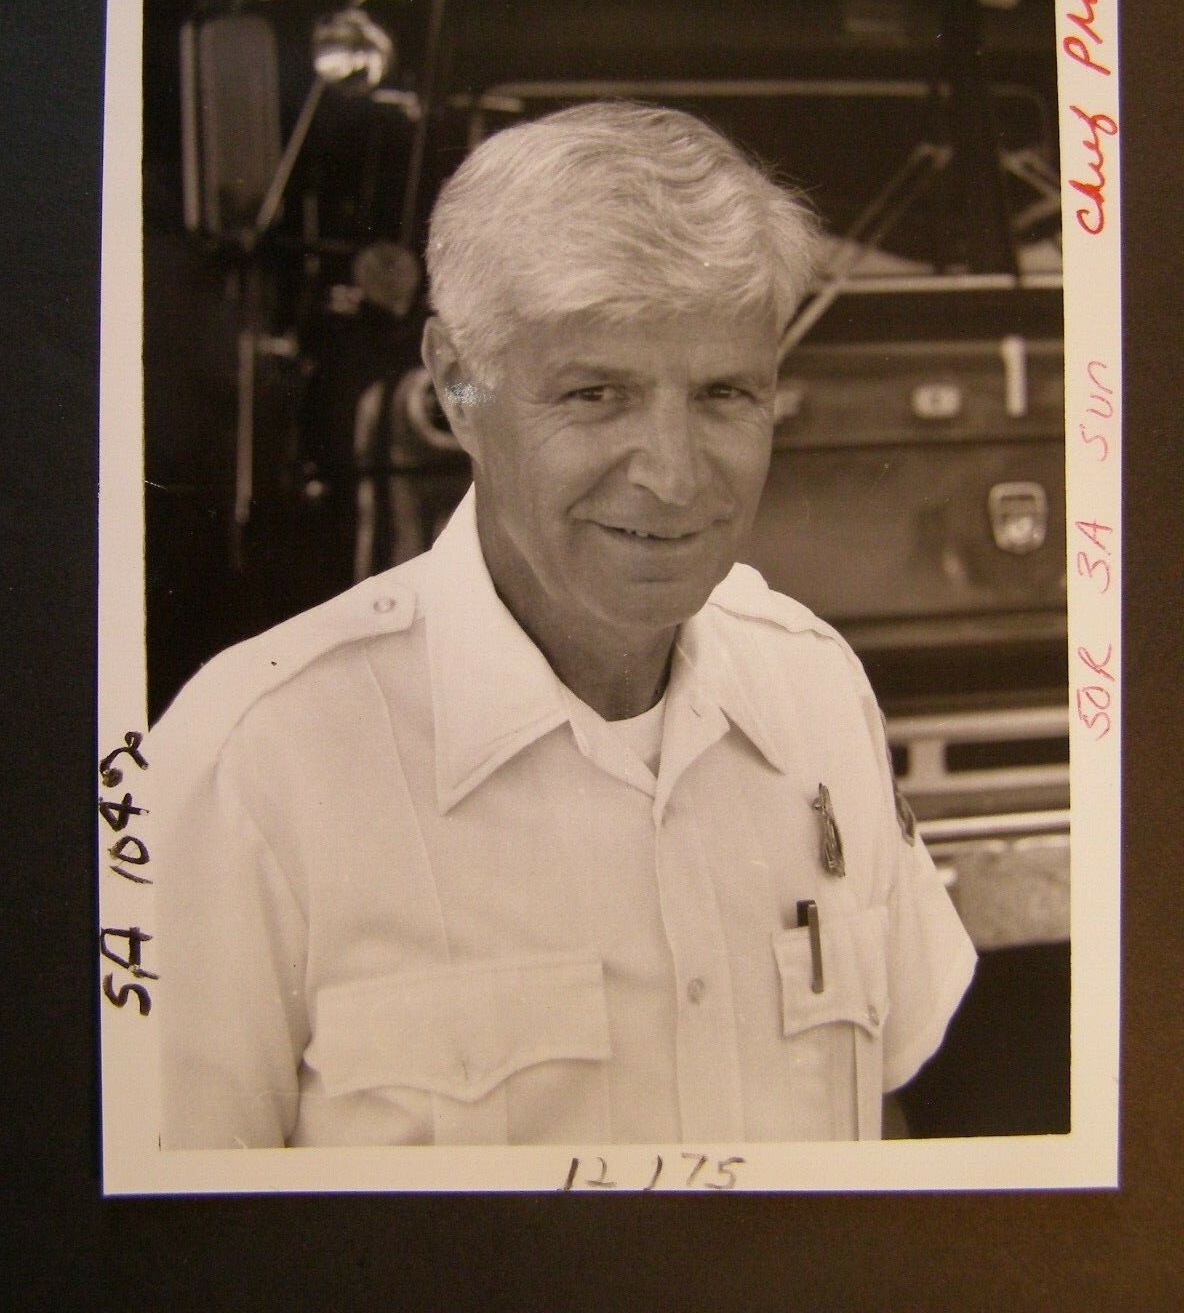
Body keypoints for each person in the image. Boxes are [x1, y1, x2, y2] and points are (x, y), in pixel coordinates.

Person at [151, 102, 975, 1150]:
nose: (674, 476)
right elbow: (161, 1227)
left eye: (725, 392)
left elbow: (881, 1121)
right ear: (458, 385)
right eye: (595, 394)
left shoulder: (815, 690)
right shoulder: (250, 767)